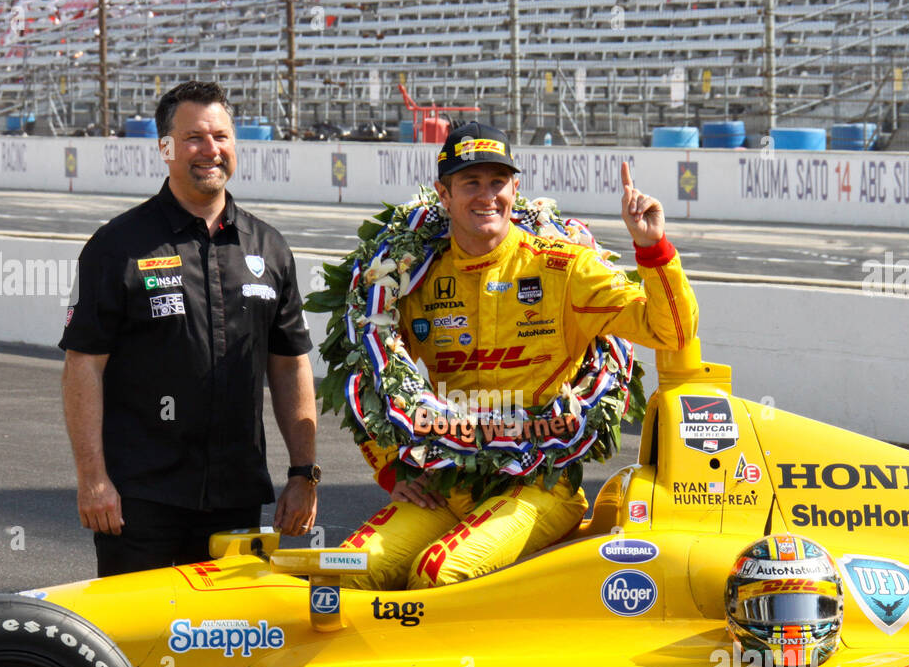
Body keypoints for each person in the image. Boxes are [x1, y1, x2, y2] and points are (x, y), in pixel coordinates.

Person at [342, 121, 697, 590]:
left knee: (438, 572)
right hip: (448, 483)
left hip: (539, 485)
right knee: (346, 570)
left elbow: (670, 331)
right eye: (471, 183)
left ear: (515, 189)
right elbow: (367, 367)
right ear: (443, 194)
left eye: (498, 182)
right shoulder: (411, 274)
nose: (487, 196)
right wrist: (391, 466)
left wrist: (652, 249)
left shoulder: (564, 267)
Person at [59, 80, 318, 577]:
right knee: (136, 627)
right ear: (165, 148)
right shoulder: (117, 246)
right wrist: (93, 479)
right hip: (139, 499)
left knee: (227, 628)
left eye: (221, 136)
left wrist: (304, 473)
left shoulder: (268, 247)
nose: (210, 150)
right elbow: (83, 366)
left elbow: (290, 366)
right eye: (194, 138)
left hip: (236, 498)